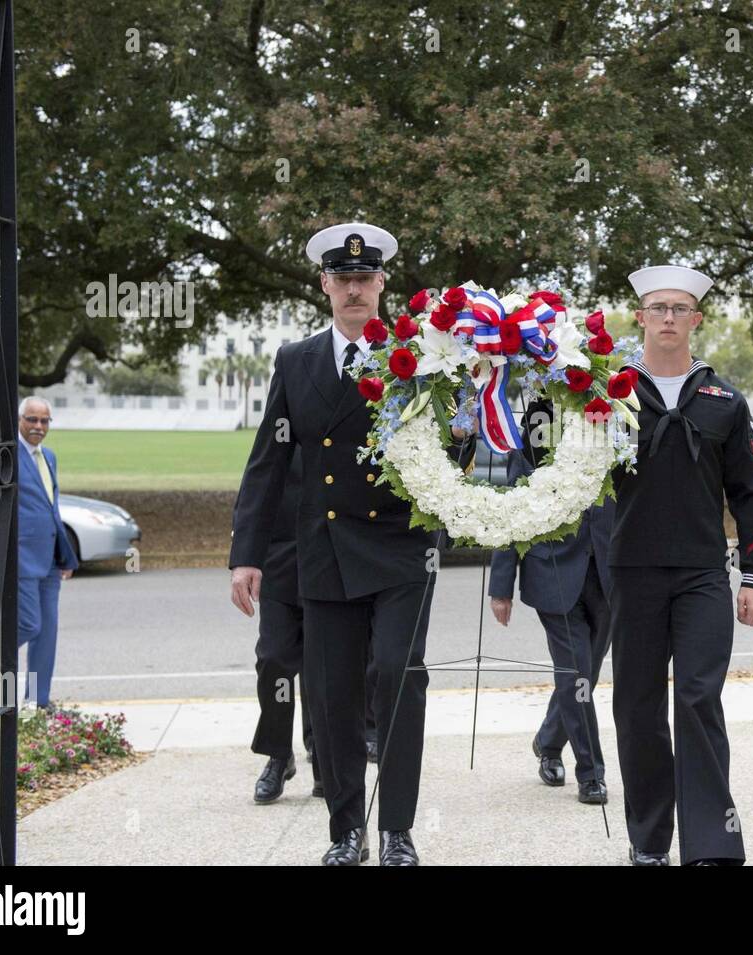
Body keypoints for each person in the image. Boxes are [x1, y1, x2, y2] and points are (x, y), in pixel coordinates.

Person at [229, 222, 471, 866]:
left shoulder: (421, 357)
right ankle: (345, 831)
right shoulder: (296, 360)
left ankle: (396, 829)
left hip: (399, 547)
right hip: (325, 549)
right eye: (344, 279)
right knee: (332, 695)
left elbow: (454, 446)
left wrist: (468, 412)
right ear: (325, 285)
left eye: (366, 279)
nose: (355, 290)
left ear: (383, 284)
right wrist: (247, 554)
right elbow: (268, 464)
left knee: (397, 675)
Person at [609, 265, 753, 866]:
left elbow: (751, 492)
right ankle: (649, 842)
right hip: (632, 573)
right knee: (637, 707)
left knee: (700, 700)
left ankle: (711, 846)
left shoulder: (724, 401)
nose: (670, 318)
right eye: (659, 308)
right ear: (642, 318)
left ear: (697, 320)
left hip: (704, 575)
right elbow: (566, 469)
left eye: (681, 309)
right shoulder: (609, 397)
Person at [488, 401, 614, 804]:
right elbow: (514, 501)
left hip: (609, 568)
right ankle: (591, 772)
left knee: (585, 675)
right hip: (553, 568)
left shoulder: (611, 406)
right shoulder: (539, 417)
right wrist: (501, 583)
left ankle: (548, 740)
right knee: (575, 671)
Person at [245, 444, 380, 804]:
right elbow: (258, 482)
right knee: (273, 658)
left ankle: (324, 758)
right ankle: (278, 754)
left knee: (326, 667)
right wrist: (245, 556)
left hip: (331, 559)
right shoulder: (284, 423)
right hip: (281, 560)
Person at [16, 396, 79, 712]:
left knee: (47, 634)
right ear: (19, 420)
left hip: (51, 561)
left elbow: (51, 510)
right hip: (21, 559)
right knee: (28, 625)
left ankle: (38, 701)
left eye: (44, 421)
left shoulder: (49, 456)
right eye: (32, 419)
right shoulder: (8, 455)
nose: (38, 427)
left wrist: (65, 555)